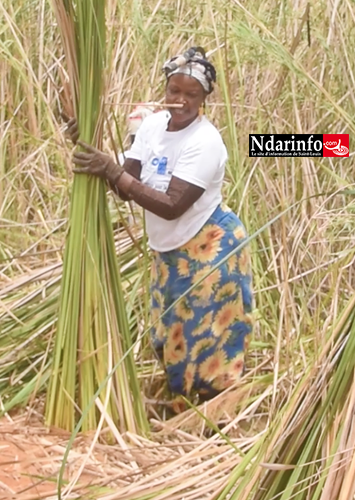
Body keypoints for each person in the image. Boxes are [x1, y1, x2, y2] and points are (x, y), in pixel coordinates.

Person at [72, 47, 254, 413]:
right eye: (174, 90)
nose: (180, 101)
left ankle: (215, 421)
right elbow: (129, 187)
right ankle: (181, 410)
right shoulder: (153, 126)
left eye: (192, 95)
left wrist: (112, 170)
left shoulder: (205, 143)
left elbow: (172, 206)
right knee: (168, 333)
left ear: (204, 100)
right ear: (165, 88)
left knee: (209, 339)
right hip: (170, 251)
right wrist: (91, 150)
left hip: (209, 248)